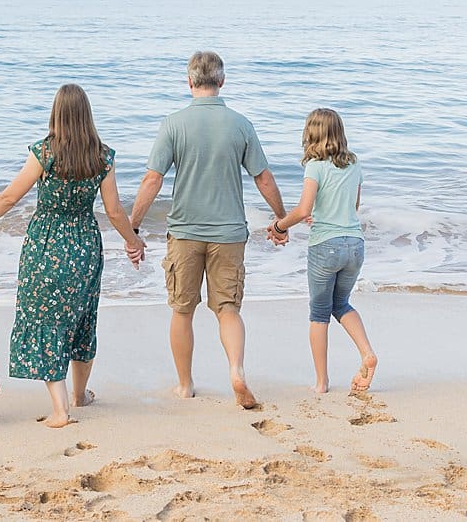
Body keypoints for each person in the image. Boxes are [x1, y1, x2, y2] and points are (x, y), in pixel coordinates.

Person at [0, 84, 146, 427]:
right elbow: (114, 211)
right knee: (82, 319)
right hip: (84, 244)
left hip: (46, 244)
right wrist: (133, 242)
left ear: (56, 114)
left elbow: (10, 197)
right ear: (87, 115)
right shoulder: (103, 156)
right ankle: (80, 394)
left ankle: (60, 408)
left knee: (45, 322)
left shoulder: (44, 153)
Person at [128, 51, 287, 408]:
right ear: (222, 81)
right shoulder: (241, 124)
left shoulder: (173, 123)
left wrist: (133, 227)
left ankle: (185, 385)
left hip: (184, 233)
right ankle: (236, 371)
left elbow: (153, 179)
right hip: (229, 233)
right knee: (228, 308)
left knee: (182, 310)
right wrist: (281, 219)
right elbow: (263, 178)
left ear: (189, 82)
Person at [267, 108, 377, 393]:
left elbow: (304, 209)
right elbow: (352, 208)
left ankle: (321, 382)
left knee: (319, 313)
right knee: (341, 304)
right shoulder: (355, 164)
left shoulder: (315, 166)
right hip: (355, 244)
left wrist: (279, 226)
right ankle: (366, 352)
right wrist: (319, 213)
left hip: (326, 246)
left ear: (311, 134)